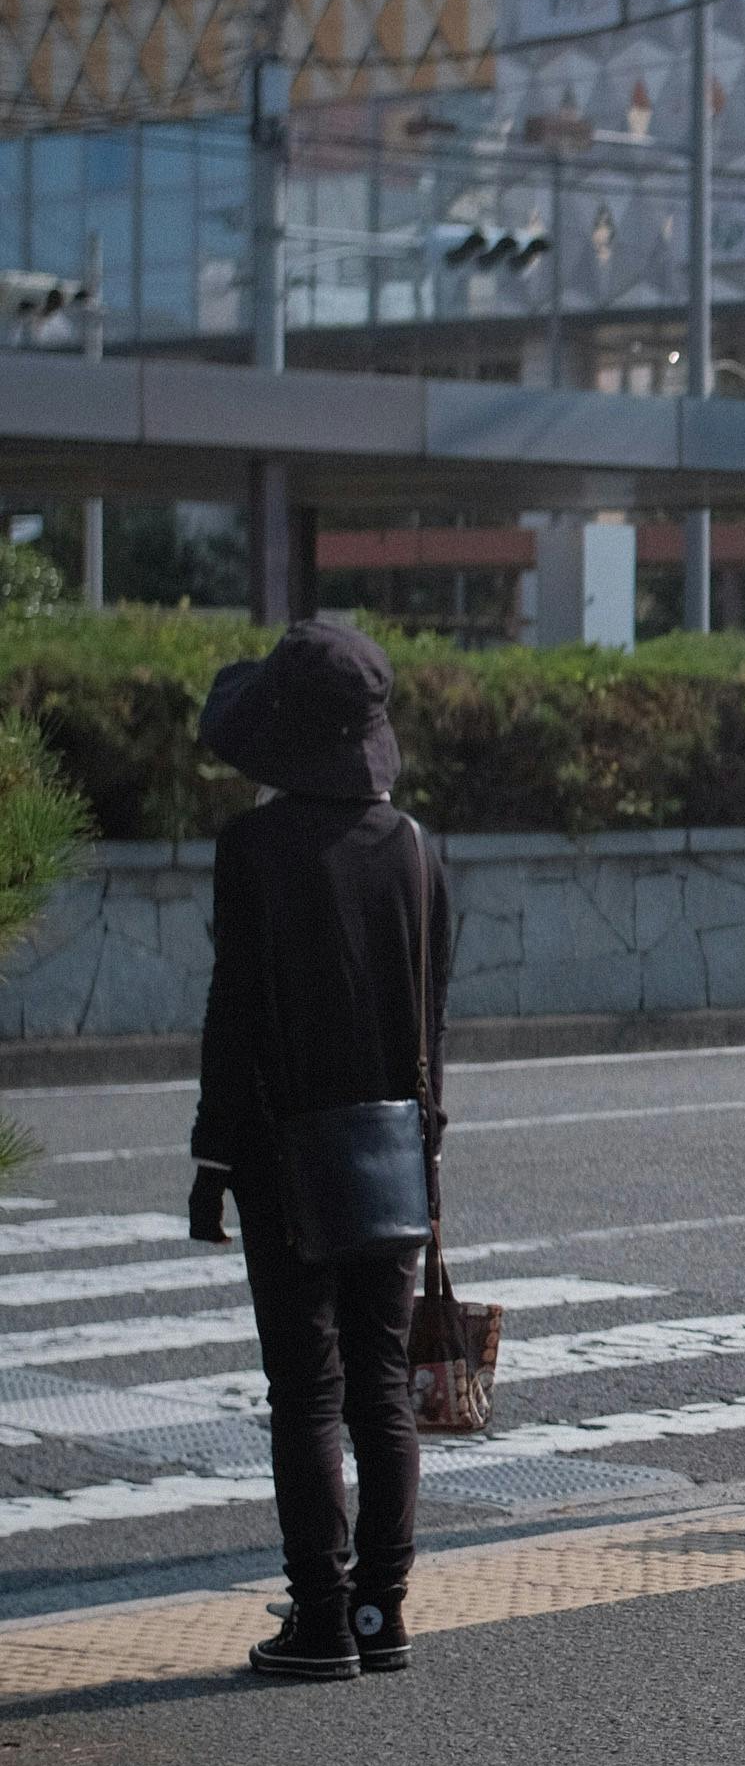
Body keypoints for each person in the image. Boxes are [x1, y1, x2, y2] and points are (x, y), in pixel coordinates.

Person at [188, 621, 454, 1682]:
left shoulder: (252, 851)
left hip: (277, 1150)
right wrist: (427, 1157)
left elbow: (234, 1013)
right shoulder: (419, 849)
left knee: (305, 1388)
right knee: (381, 1385)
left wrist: (212, 1161)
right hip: (393, 1150)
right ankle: (384, 1612)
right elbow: (431, 1026)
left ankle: (321, 1616)